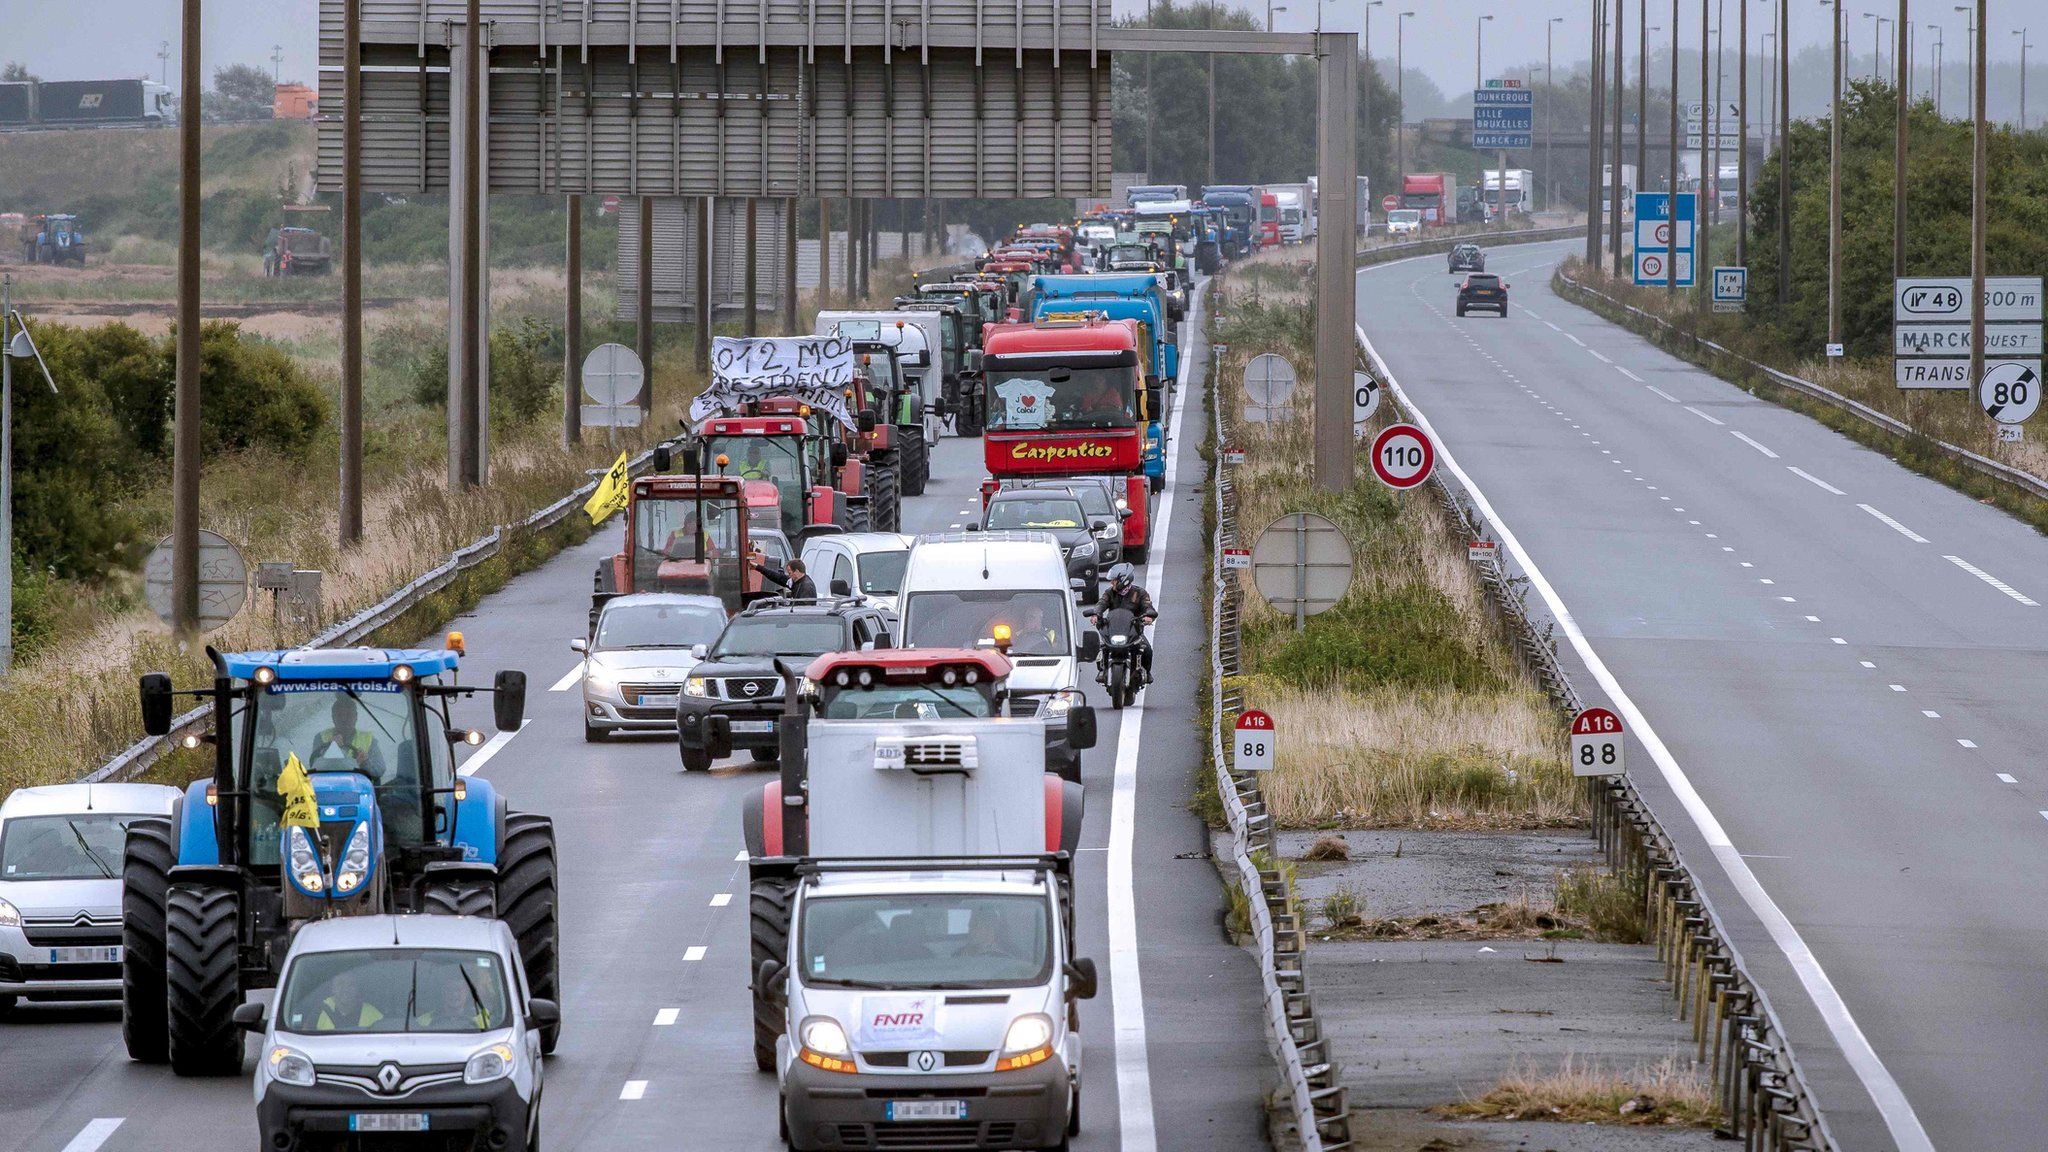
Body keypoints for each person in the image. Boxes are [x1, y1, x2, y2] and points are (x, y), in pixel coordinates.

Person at [1092, 563, 1157, 685]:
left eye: (1114, 581)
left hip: (1133, 630)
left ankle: (1147, 672)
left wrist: (1148, 615)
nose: (1112, 583)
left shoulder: (1140, 593)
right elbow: (1101, 603)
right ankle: (1102, 670)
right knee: (1102, 647)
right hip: (1114, 629)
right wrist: (1096, 614)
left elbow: (1147, 606)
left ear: (1123, 580)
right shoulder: (1109, 593)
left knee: (1147, 650)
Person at [309, 697, 385, 779]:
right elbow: (314, 769)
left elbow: (379, 771)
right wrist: (328, 749)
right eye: (339, 715)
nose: (344, 719)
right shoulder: (321, 738)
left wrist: (365, 763)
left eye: (348, 715)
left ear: (356, 717)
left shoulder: (369, 739)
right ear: (333, 718)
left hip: (360, 789)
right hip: (327, 788)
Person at [312, 965, 387, 1032]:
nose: (345, 989)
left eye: (350, 984)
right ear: (332, 988)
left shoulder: (373, 1015)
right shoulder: (319, 1011)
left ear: (357, 988)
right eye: (340, 984)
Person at [753, 554, 817, 600]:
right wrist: (757, 567)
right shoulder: (795, 581)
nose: (789, 576)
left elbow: (804, 609)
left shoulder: (807, 588)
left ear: (796, 571)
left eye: (790, 573)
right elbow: (778, 577)